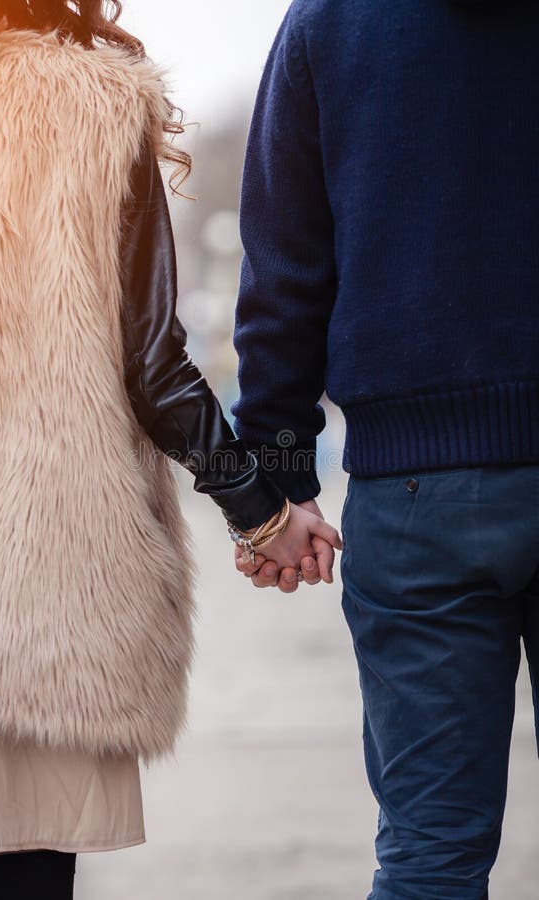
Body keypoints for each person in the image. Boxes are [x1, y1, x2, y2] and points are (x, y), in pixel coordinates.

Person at [0, 2, 342, 898]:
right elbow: (152, 361)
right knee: (30, 871)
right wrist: (265, 510)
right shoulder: (96, 106)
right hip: (38, 581)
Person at [231, 0, 539, 897]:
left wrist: (279, 483)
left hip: (416, 493)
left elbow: (283, 270)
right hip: (416, 484)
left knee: (430, 856)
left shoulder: (328, 21)